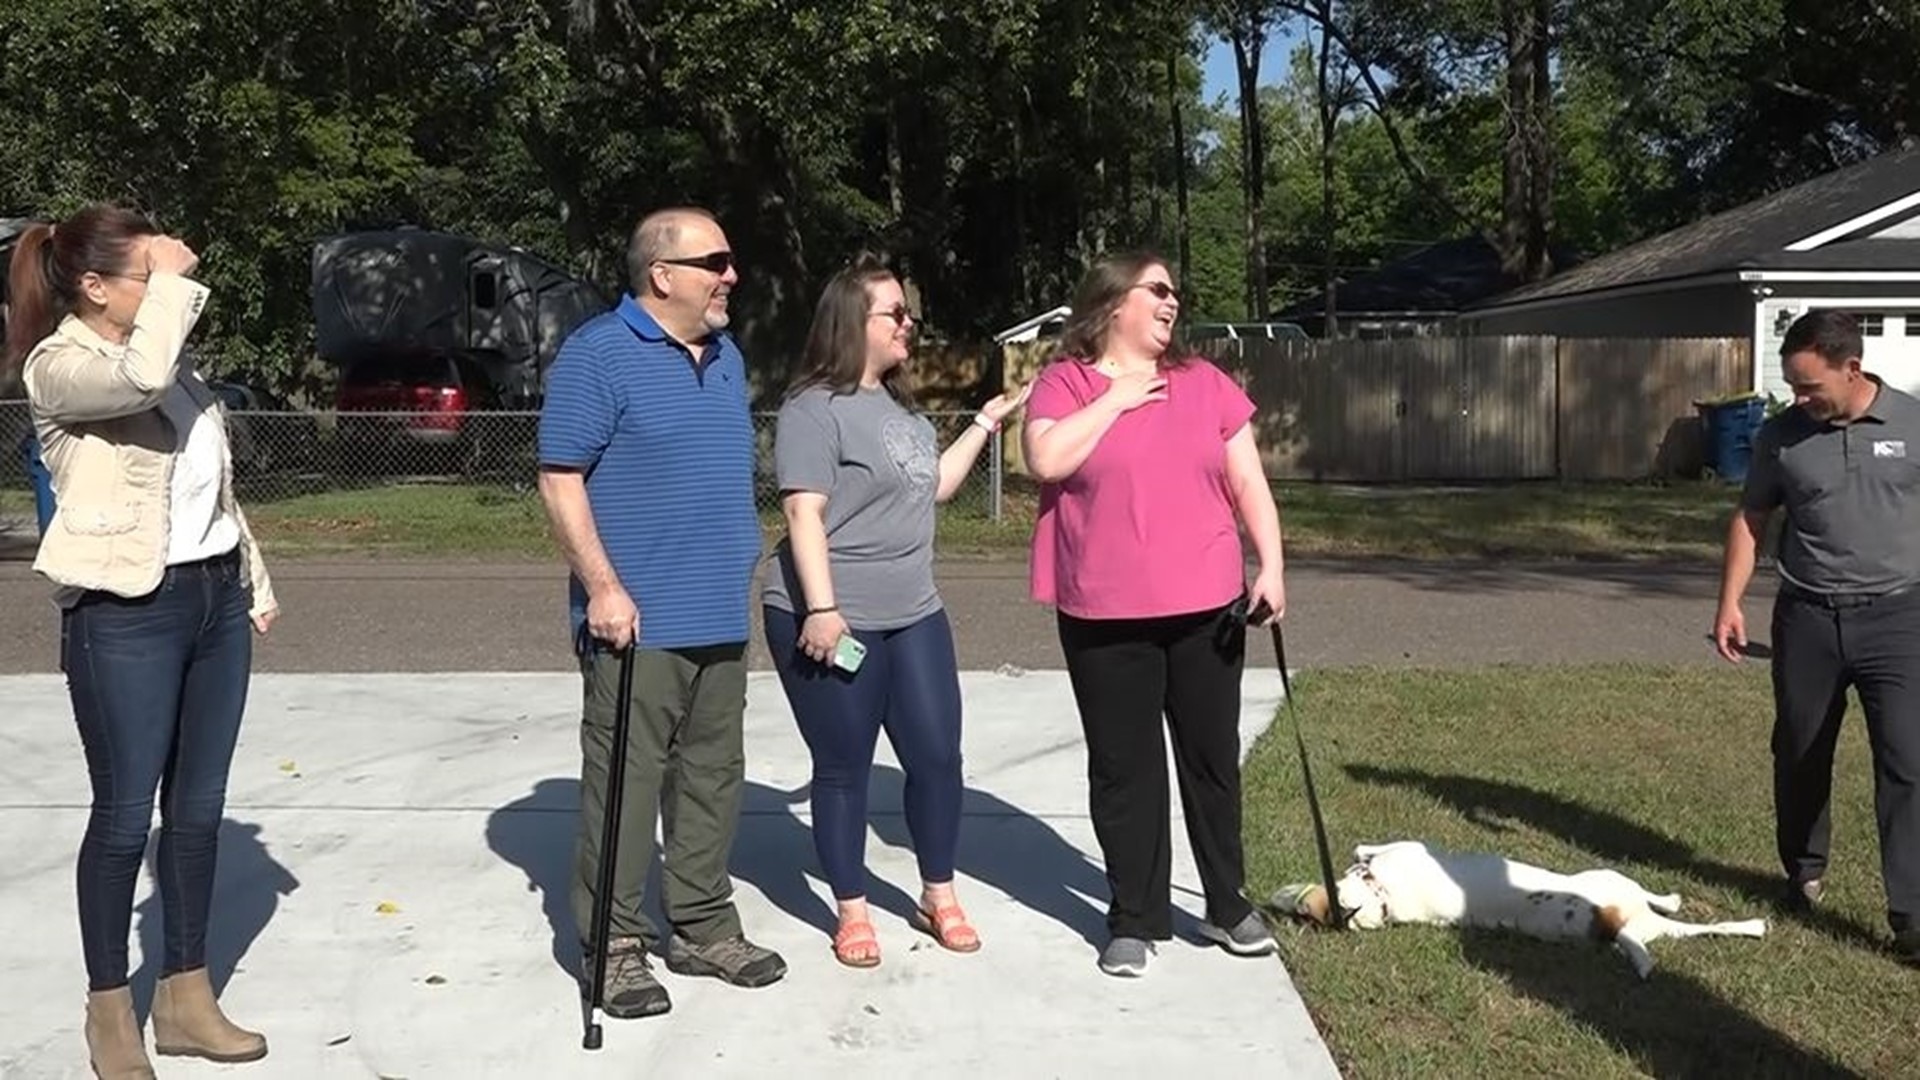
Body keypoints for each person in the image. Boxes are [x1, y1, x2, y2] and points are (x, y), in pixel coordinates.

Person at [8, 204, 279, 1076]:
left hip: (212, 600)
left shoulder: (176, 365)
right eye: (145, 279)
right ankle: (109, 1012)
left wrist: (251, 579)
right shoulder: (60, 365)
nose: (168, 294)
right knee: (126, 817)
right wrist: (172, 283)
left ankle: (186, 997)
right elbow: (137, 381)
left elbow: (211, 490)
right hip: (127, 611)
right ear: (92, 287)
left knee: (197, 813)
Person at [536, 206, 786, 1021]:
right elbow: (561, 476)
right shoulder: (598, 354)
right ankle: (611, 946)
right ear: (662, 274)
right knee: (625, 787)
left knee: (713, 779)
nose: (730, 275)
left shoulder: (725, 355)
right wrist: (603, 587)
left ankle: (704, 924)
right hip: (636, 621)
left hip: (719, 612)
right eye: (715, 261)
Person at [1022, 251, 1285, 977]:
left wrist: (1273, 563)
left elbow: (1248, 481)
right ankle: (1134, 917)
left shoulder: (1206, 385)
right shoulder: (1063, 383)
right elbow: (1046, 461)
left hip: (1208, 610)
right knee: (1123, 770)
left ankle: (1227, 904)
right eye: (1158, 290)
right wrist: (1116, 398)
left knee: (1209, 762)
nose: (1173, 302)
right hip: (1104, 616)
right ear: (1113, 303)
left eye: (1175, 292)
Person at [761, 257, 1029, 968]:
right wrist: (822, 609)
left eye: (907, 313)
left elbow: (934, 485)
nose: (909, 323)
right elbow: (802, 511)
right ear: (854, 322)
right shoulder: (813, 408)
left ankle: (937, 894)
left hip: (914, 610)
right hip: (828, 617)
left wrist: (982, 424)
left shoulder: (902, 410)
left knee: (938, 757)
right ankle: (851, 908)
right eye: (895, 314)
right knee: (844, 765)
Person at [1714, 309, 1920, 968]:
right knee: (1800, 751)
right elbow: (1751, 517)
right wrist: (1729, 604)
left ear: (1851, 368)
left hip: (1899, 618)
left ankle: (1912, 914)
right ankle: (1802, 873)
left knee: (1908, 761)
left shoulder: (1914, 424)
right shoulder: (1781, 436)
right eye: (1792, 387)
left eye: (1809, 387)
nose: (1798, 400)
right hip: (1806, 618)